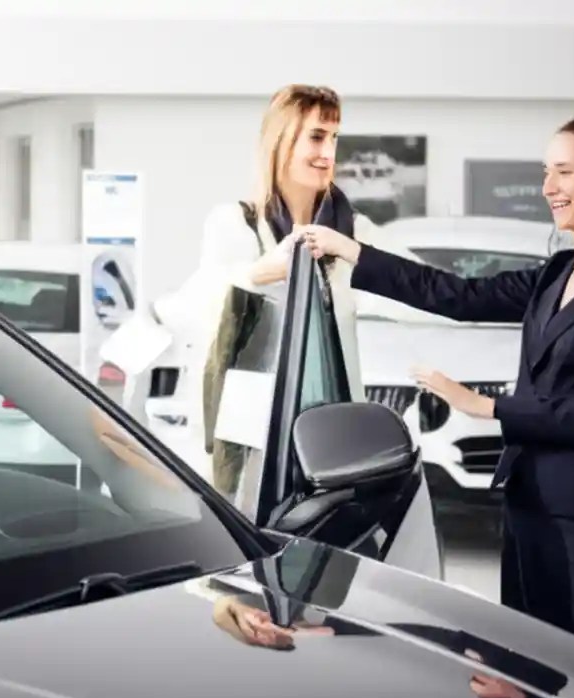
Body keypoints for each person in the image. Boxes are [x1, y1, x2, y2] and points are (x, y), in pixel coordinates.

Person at [303, 100, 574, 646]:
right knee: (520, 660)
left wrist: (485, 406)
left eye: (563, 171)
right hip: (525, 500)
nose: (548, 187)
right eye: (544, 172)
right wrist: (352, 252)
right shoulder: (556, 273)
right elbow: (457, 295)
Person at [150, 84, 404, 501]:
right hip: (257, 429)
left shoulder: (351, 230)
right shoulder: (237, 223)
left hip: (331, 423)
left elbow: (416, 287)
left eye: (334, 139)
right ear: (281, 143)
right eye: (316, 137)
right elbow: (199, 306)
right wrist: (258, 273)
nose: (328, 153)